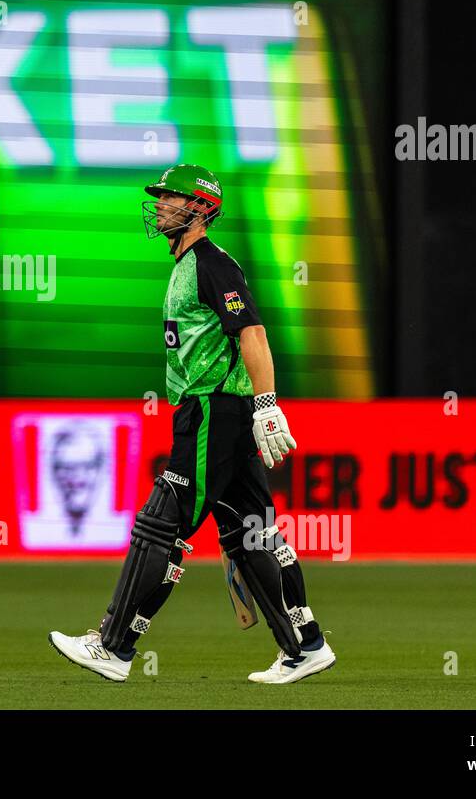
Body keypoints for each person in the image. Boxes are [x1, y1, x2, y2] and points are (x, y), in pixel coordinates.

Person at [48, 163, 335, 684]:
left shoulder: (211, 263)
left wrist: (267, 404)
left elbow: (252, 333)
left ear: (200, 208)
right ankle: (304, 646)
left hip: (214, 409)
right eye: (158, 198)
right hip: (213, 409)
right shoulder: (185, 264)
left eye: (170, 198)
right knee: (251, 533)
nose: (159, 205)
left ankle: (114, 646)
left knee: (164, 521)